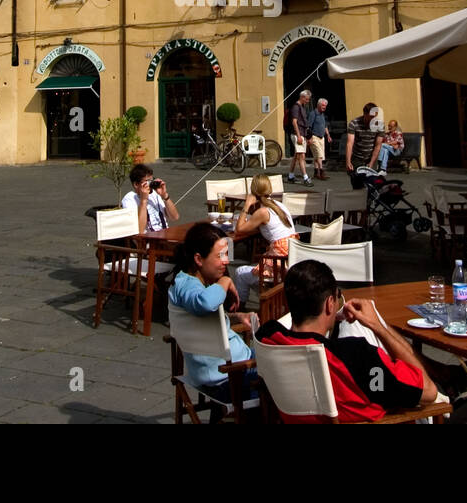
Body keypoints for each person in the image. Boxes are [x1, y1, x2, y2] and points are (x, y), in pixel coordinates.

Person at [257, 260, 441, 422]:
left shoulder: (267, 337)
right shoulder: (357, 357)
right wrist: (376, 326)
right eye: (337, 297)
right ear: (330, 303)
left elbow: (299, 332)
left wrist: (328, 318)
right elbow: (429, 391)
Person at [167, 222, 256, 404]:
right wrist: (224, 282)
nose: (226, 261)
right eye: (220, 256)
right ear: (199, 259)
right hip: (228, 377)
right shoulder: (187, 285)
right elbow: (205, 303)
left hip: (230, 370)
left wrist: (237, 316)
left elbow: (204, 317)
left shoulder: (190, 283)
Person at [231, 174, 297, 298]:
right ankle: (270, 296)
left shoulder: (262, 212)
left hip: (280, 265)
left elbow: (239, 229)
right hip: (291, 259)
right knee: (252, 274)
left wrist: (246, 205)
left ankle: (241, 309)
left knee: (239, 272)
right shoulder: (280, 206)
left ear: (253, 193)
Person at [119, 163, 180, 233]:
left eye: (152, 180)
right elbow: (139, 230)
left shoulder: (154, 194)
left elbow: (175, 217)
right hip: (147, 240)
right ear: (136, 184)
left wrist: (165, 196)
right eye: (147, 181)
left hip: (165, 234)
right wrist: (143, 200)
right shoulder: (129, 199)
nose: (150, 184)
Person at [344, 102, 385, 175]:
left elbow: (378, 146)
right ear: (365, 114)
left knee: (371, 184)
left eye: (375, 116)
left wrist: (371, 163)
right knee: (357, 184)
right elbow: (349, 144)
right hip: (357, 158)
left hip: (371, 157)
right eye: (371, 117)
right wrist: (348, 161)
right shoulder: (354, 123)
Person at [287, 89, 313, 186]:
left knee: (296, 156)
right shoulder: (296, 107)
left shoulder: (301, 107)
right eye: (307, 99)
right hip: (297, 134)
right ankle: (305, 178)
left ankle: (290, 176)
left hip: (302, 134)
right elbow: (294, 122)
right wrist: (298, 136)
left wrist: (306, 136)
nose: (308, 101)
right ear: (302, 97)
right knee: (301, 156)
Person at [307, 97, 333, 181]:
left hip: (321, 137)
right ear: (318, 105)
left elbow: (324, 126)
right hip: (314, 137)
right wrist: (309, 138)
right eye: (323, 105)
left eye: (325, 106)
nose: (324, 107)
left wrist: (328, 135)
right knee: (319, 155)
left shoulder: (322, 114)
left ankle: (316, 173)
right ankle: (322, 172)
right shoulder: (313, 114)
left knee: (316, 156)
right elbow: (309, 127)